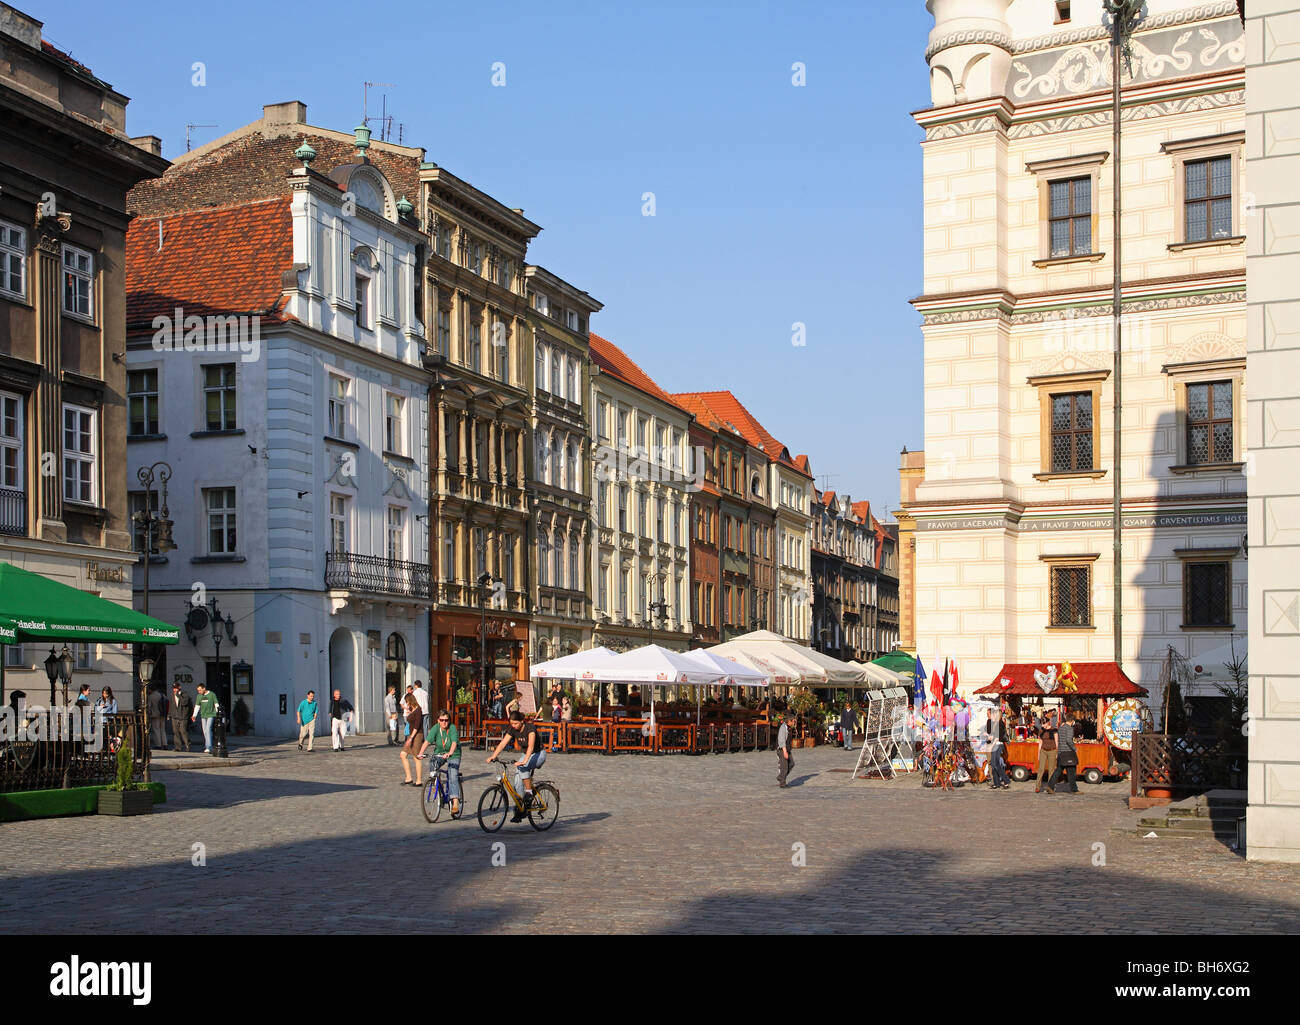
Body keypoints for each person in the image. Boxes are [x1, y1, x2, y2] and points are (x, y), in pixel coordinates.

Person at [488, 708, 547, 822]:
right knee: (517, 783)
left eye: (515, 723)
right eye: (512, 723)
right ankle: (521, 809)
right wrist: (493, 756)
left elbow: (530, 746)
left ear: (522, 721)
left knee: (522, 767)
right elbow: (503, 743)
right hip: (526, 755)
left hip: (539, 754)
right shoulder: (512, 729)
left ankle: (529, 792)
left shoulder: (530, 727)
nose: (513, 726)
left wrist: (525, 761)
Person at [417, 708, 461, 814]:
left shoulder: (452, 728)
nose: (444, 722)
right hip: (440, 753)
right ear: (438, 720)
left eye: (446, 720)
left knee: (453, 776)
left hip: (453, 754)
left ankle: (455, 803)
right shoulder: (436, 728)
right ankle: (435, 783)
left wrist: (450, 753)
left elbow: (454, 742)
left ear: (449, 721)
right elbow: (427, 741)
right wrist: (421, 753)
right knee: (432, 761)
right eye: (441, 720)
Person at [1048, 713, 1080, 794]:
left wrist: (1058, 752)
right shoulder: (1069, 729)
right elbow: (1069, 740)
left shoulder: (1061, 728)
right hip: (1068, 752)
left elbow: (1060, 740)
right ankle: (1074, 789)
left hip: (1061, 752)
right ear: (1072, 721)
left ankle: (1050, 786)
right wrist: (1074, 748)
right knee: (1071, 772)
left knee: (1058, 770)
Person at [399, 694, 425, 785]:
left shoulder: (418, 710)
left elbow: (417, 726)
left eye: (407, 701)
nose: (407, 704)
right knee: (403, 755)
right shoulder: (411, 709)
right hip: (411, 734)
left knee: (416, 757)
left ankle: (419, 781)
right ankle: (409, 778)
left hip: (417, 735)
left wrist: (411, 738)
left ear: (411, 700)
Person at [191, 683, 219, 754]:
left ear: (204, 688)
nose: (199, 692)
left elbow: (216, 704)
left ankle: (208, 747)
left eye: (200, 690)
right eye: (198, 690)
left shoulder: (212, 694)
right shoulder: (199, 696)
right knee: (205, 731)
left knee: (208, 729)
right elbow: (197, 706)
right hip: (203, 715)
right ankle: (210, 746)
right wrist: (194, 715)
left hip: (211, 714)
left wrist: (217, 713)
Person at [1036, 710, 1058, 794]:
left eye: (1044, 724)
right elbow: (1040, 742)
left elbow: (1056, 742)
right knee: (1041, 769)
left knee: (1051, 770)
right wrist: (1038, 753)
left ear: (1048, 723)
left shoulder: (1054, 730)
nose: (1043, 726)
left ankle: (1050, 787)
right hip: (1043, 750)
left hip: (1052, 750)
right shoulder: (1041, 730)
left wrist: (1056, 753)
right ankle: (1037, 786)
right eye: (1042, 724)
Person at [169, 683, 192, 751]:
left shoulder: (184, 694)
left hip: (183, 716)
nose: (175, 689)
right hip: (175, 716)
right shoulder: (172, 696)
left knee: (183, 731)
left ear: (179, 687)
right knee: (175, 731)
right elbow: (171, 705)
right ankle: (178, 747)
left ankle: (188, 745)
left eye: (176, 688)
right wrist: (169, 714)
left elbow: (184, 703)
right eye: (174, 688)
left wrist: (178, 695)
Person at [776, 711, 795, 788]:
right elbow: (781, 740)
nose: (794, 722)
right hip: (782, 749)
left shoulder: (788, 727)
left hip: (787, 749)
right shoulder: (783, 728)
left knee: (791, 763)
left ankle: (781, 777)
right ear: (789, 721)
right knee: (784, 766)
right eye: (793, 721)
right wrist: (784, 752)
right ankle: (782, 783)